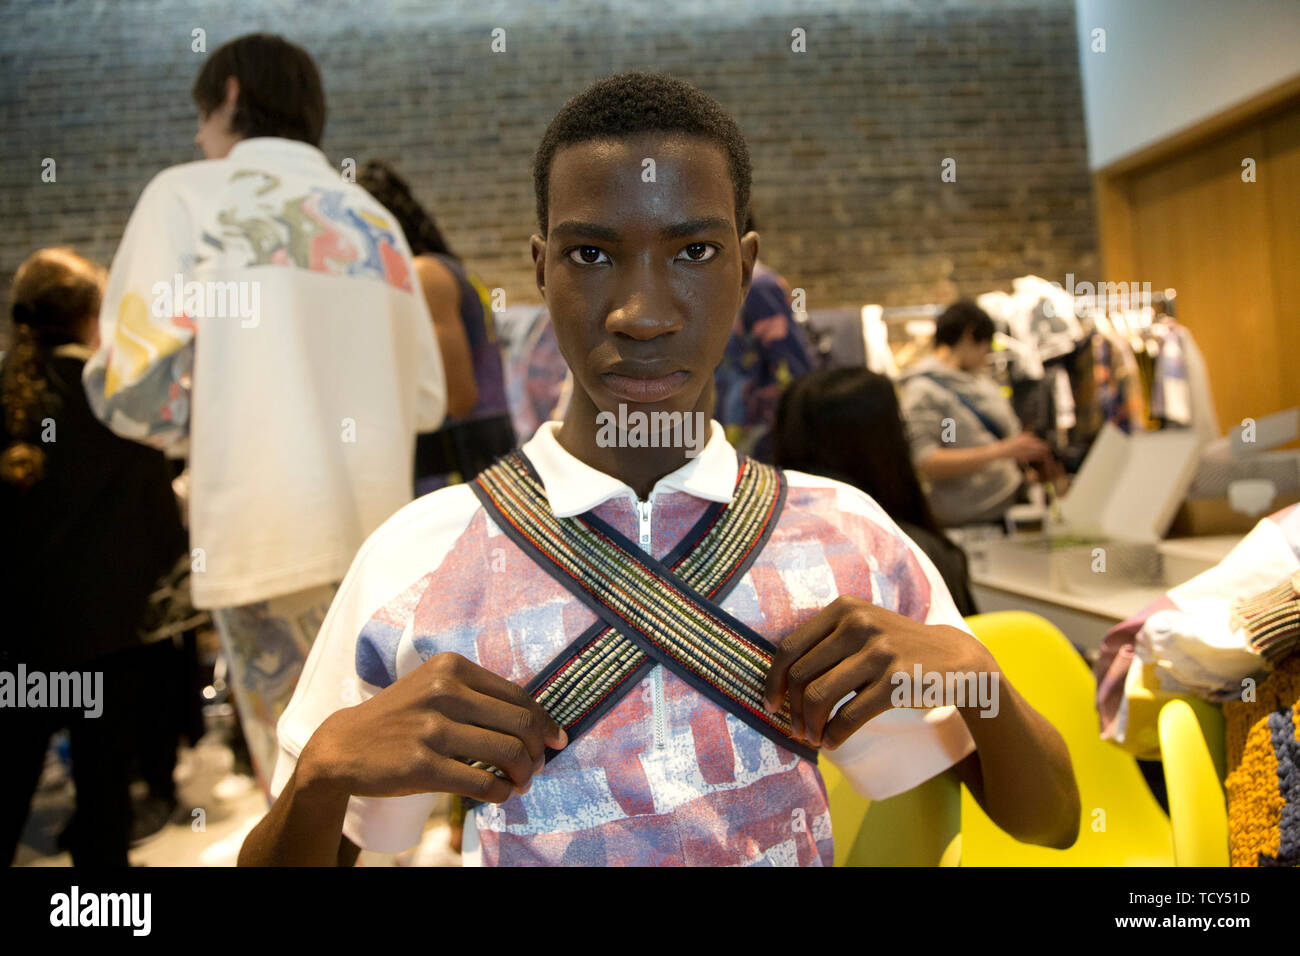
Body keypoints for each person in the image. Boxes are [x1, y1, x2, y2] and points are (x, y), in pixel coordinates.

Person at [240, 72, 1078, 867]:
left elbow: (1052, 824)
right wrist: (321, 772)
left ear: (746, 267)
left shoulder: (843, 535)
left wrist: (978, 681)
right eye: (592, 255)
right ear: (541, 268)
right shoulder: (418, 558)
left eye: (693, 251)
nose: (641, 312)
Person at [81, 34, 446, 797]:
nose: (196, 134)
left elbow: (130, 384)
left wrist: (211, 408)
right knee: (380, 793)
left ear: (232, 94)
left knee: (299, 788)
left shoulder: (188, 195)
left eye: (200, 113)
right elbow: (426, 398)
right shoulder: (375, 220)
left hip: (261, 534)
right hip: (377, 547)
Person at [1, 248, 186, 865]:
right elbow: (161, 528)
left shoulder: (9, 393)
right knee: (105, 804)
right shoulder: (113, 400)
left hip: (19, 640)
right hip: (108, 641)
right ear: (92, 313)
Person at [357, 160, 516, 495]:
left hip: (457, 465)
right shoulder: (443, 268)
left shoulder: (425, 274)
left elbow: (459, 398)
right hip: (480, 452)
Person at [774, 367, 978, 617]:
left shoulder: (761, 546)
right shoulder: (911, 552)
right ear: (887, 438)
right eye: (902, 425)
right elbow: (962, 648)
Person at [898, 300, 1054, 527]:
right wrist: (1002, 451)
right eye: (986, 345)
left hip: (1007, 507)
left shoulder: (977, 379)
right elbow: (927, 461)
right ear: (970, 336)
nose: (987, 355)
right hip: (970, 523)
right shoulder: (924, 391)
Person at [712, 213, 814, 463]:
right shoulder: (716, 282)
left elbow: (791, 366)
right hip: (729, 422)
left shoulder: (759, 285)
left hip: (756, 428)